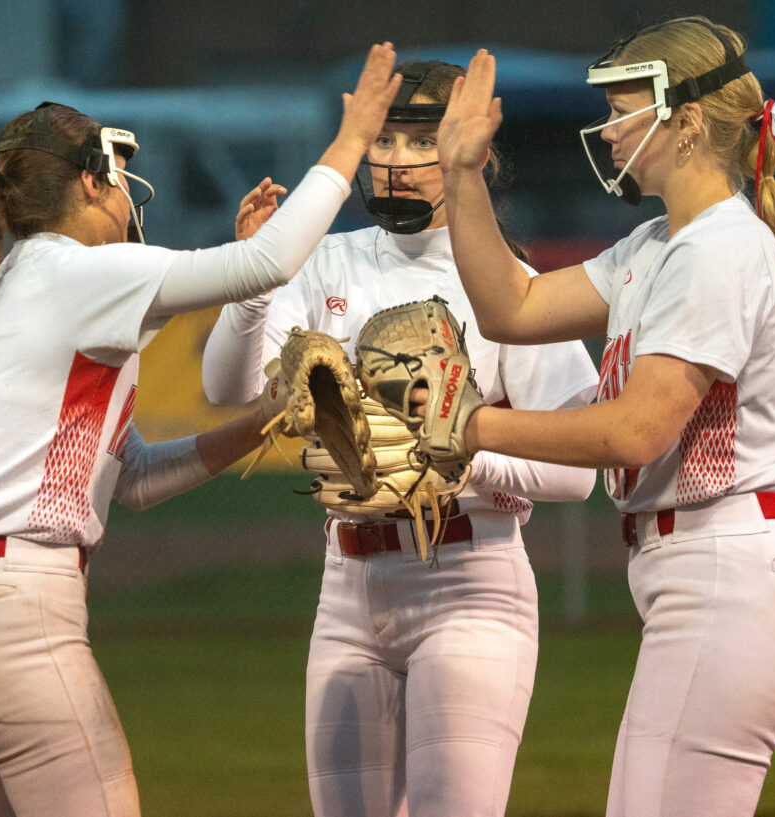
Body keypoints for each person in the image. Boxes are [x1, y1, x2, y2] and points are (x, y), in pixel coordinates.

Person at [0, 43, 402, 817]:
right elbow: (268, 262)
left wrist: (263, 417)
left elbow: (140, 479)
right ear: (92, 178)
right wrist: (352, 137)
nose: (128, 192)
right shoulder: (75, 270)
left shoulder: (16, 284)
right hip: (8, 616)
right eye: (116, 172)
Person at [430, 19, 775, 817]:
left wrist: (470, 427)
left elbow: (633, 432)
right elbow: (508, 306)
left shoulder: (715, 248)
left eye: (625, 108)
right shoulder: (657, 243)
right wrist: (461, 174)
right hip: (714, 571)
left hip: (731, 568)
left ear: (686, 121)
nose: (610, 128)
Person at [202, 60, 601, 817]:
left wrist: (447, 457)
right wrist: (251, 283)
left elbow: (578, 471)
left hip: (469, 575)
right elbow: (227, 388)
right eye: (383, 136)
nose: (396, 157)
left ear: (472, 149)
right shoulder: (326, 258)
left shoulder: (505, 277)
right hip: (347, 582)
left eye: (422, 139)